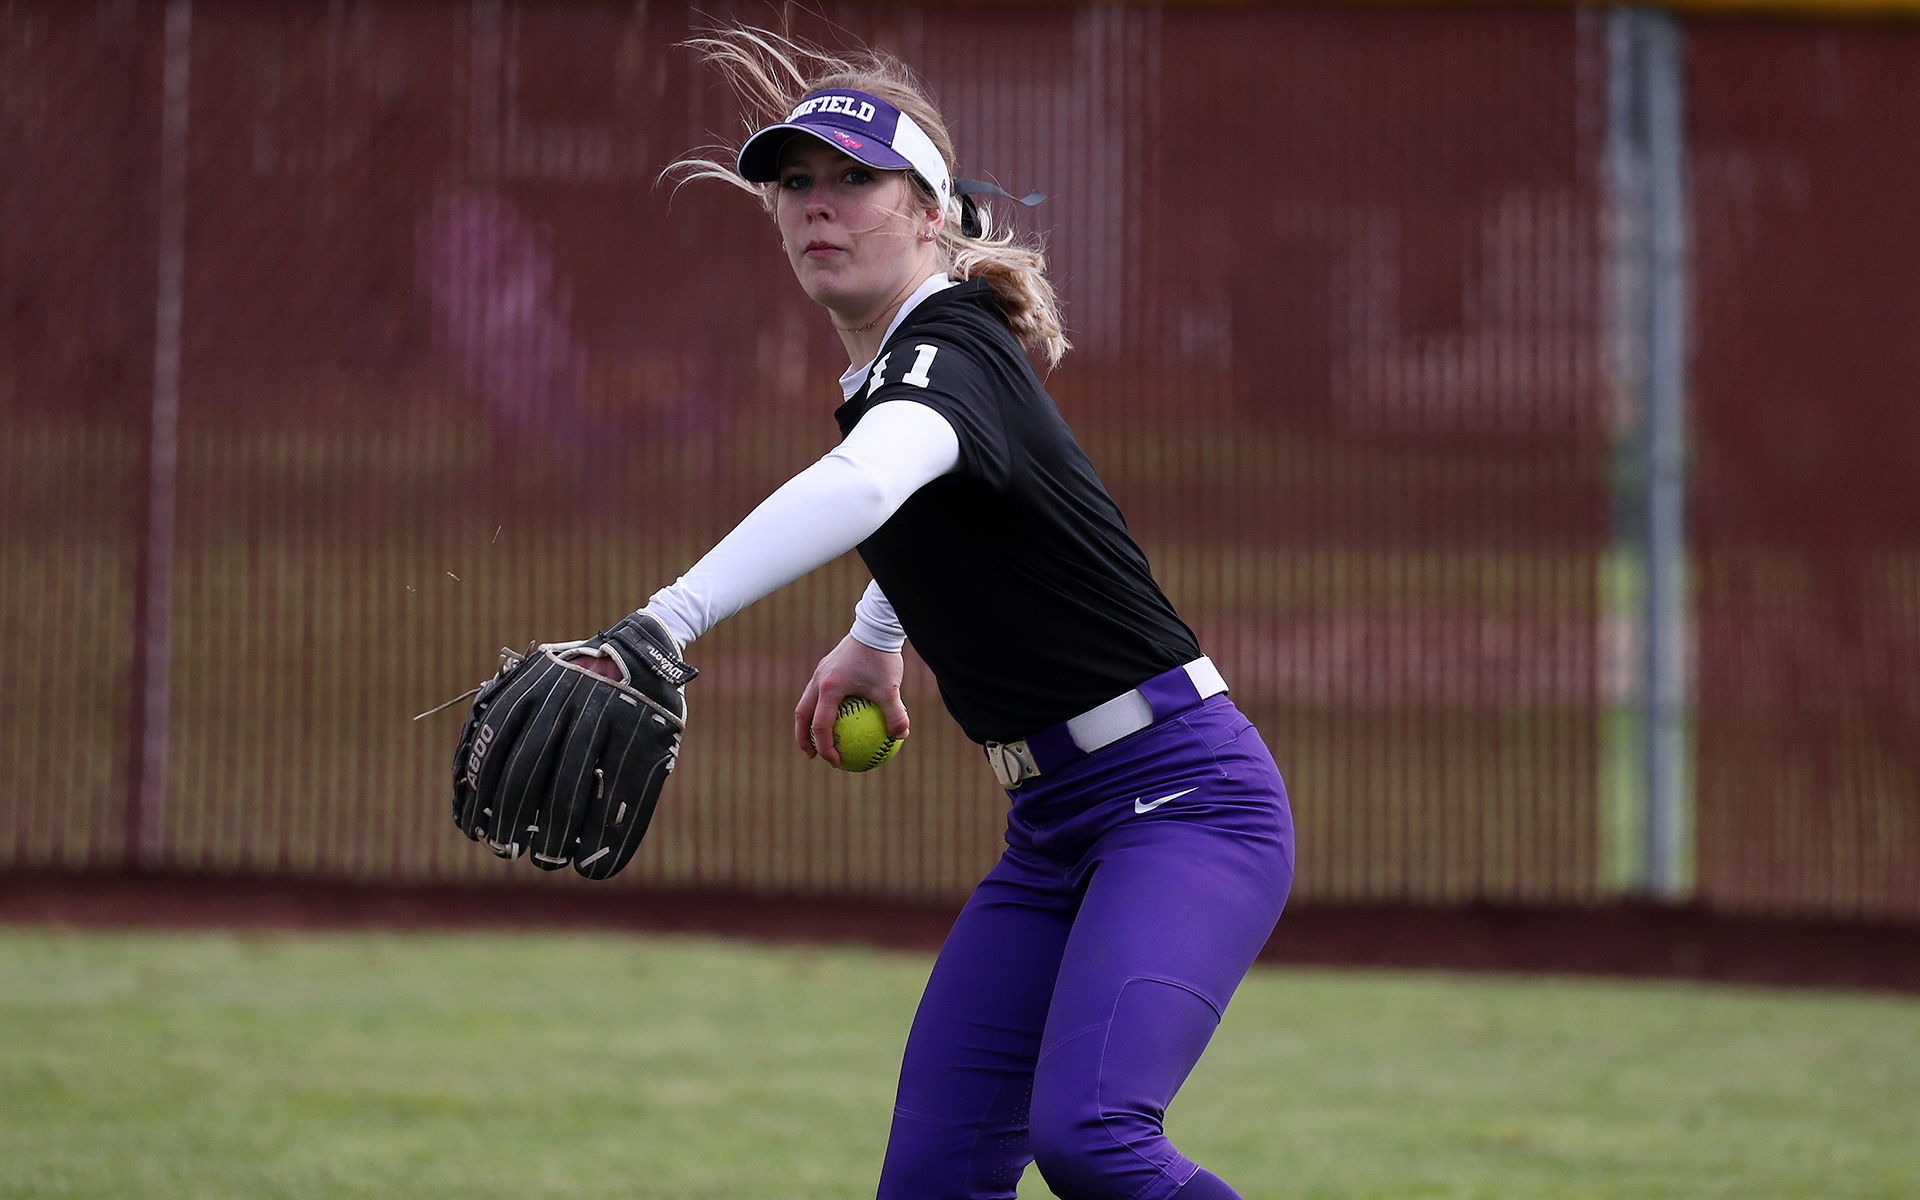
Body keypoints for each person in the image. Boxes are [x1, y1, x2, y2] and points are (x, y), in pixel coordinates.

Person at [644, 27, 1295, 1200]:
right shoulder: (911, 374)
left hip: (1184, 801)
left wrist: (664, 621)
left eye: (855, 180)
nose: (818, 207)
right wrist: (876, 635)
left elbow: (874, 484)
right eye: (795, 183)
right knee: (936, 1178)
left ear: (933, 214)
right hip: (1053, 827)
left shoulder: (946, 352)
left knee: (1094, 1137)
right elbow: (946, 499)